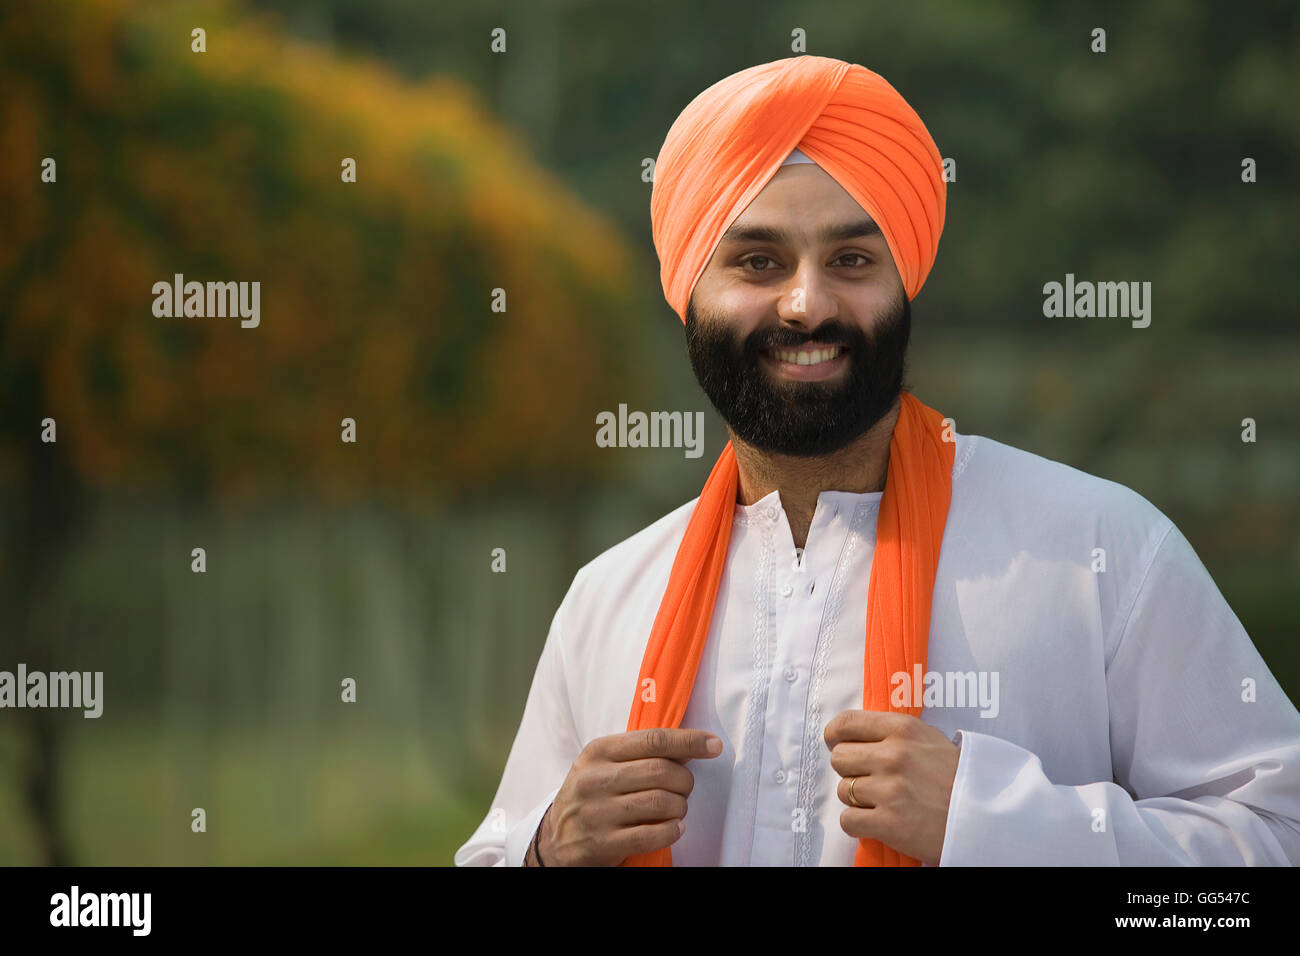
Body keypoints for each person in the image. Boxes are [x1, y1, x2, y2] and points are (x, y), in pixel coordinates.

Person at [454, 55, 1300, 866]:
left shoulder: (1099, 552)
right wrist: (546, 849)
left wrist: (994, 821)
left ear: (905, 283)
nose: (807, 302)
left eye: (852, 260)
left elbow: (1272, 842)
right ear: (687, 288)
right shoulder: (609, 600)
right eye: (758, 261)